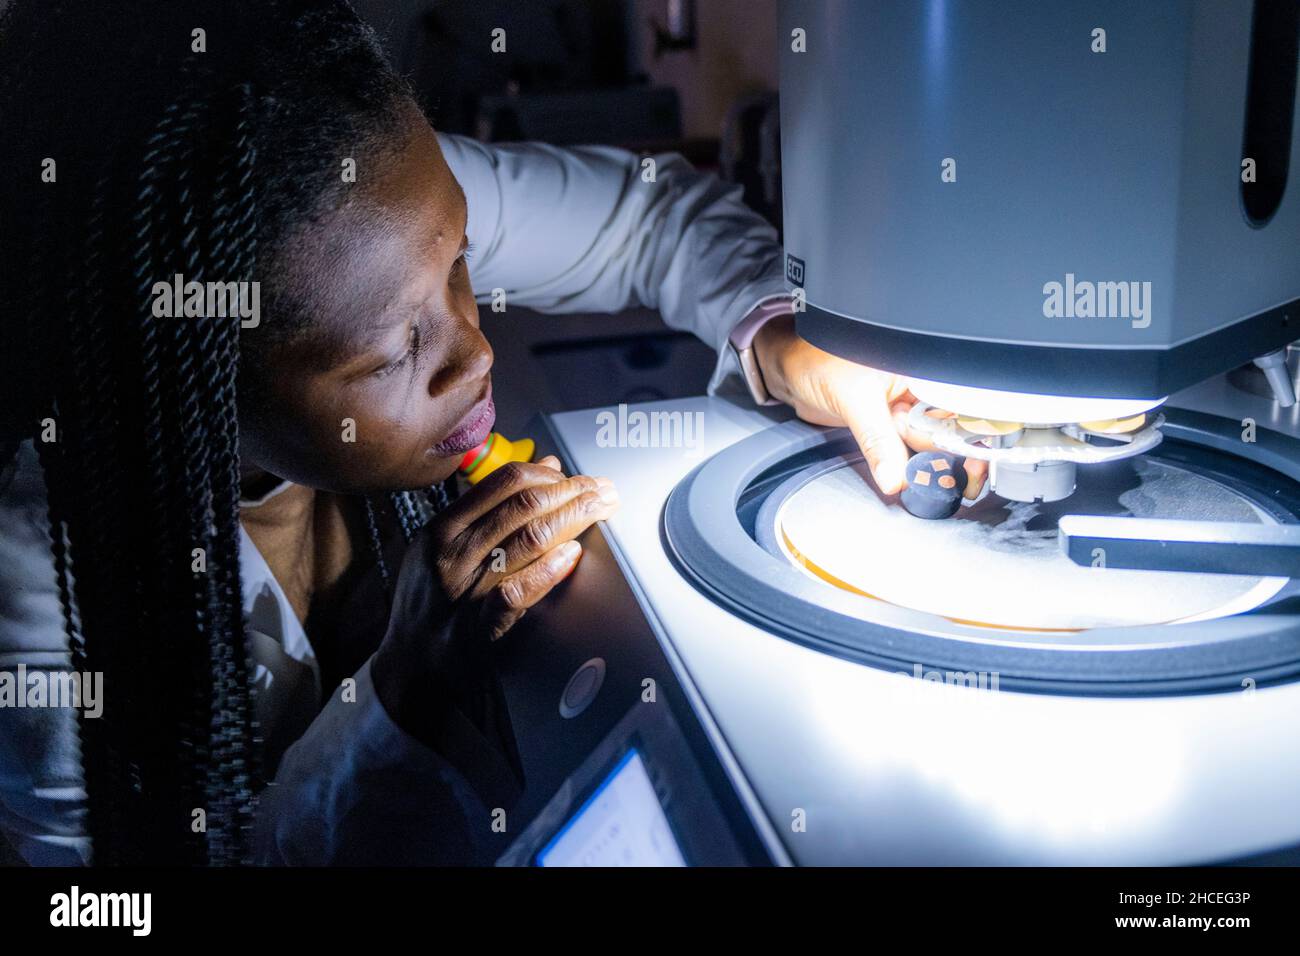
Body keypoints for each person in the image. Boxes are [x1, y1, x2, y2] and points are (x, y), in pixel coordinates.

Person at [0, 0, 983, 866]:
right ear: (204, 385)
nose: (473, 352)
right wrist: (394, 694)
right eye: (391, 357)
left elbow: (652, 217)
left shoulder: (372, 204)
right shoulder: (41, 591)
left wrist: (775, 335)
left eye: (463, 260)